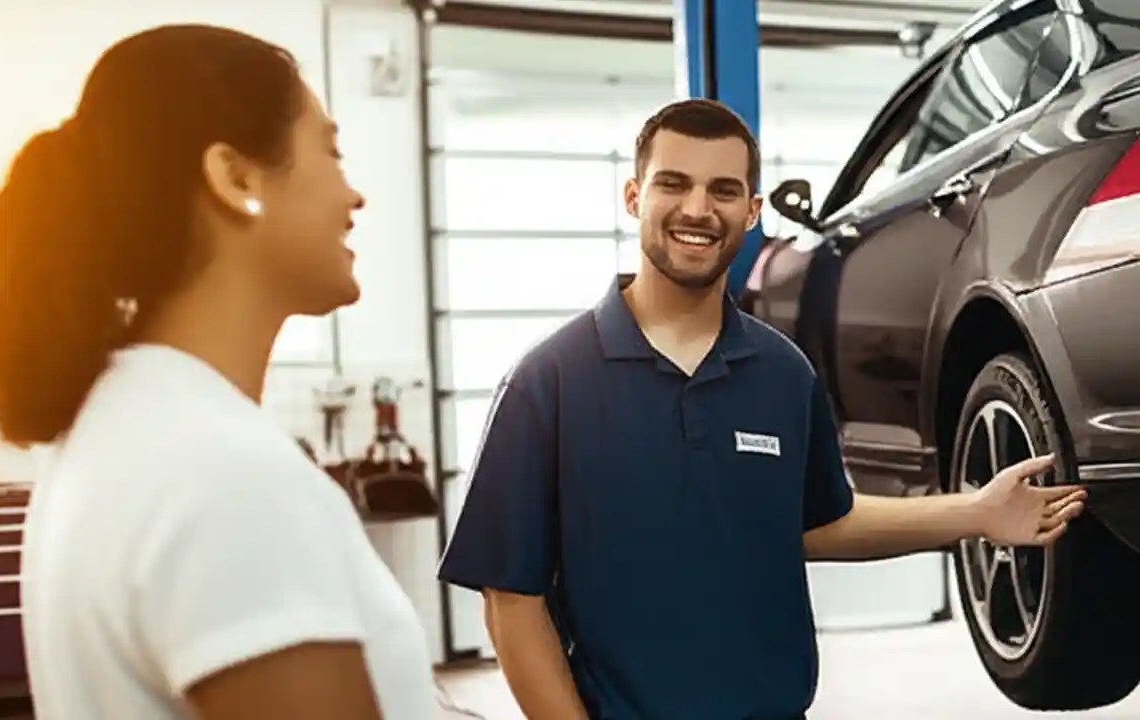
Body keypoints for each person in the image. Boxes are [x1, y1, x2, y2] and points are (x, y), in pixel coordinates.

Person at [436, 98, 1088, 720]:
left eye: (723, 191)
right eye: (673, 184)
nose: (698, 208)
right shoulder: (546, 382)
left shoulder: (783, 374)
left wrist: (974, 512)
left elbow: (819, 524)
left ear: (750, 213)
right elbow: (511, 603)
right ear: (635, 197)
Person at [0, 25, 435, 720]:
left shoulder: (121, 427)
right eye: (331, 152)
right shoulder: (227, 472)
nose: (354, 196)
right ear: (235, 178)